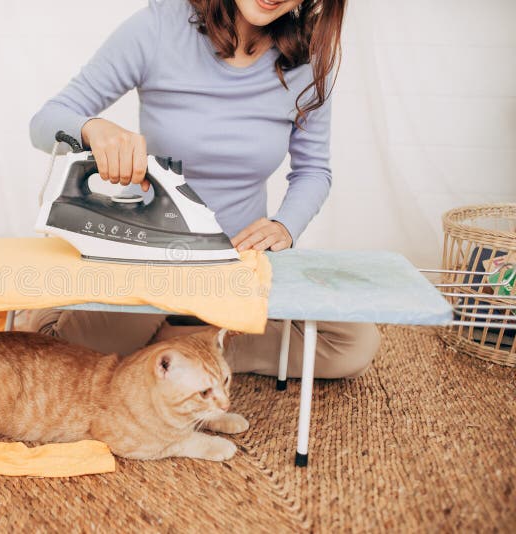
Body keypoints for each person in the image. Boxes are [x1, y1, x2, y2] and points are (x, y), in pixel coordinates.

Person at [27, 0, 380, 378]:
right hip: (153, 265)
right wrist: (93, 129)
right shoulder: (158, 27)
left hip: (237, 268)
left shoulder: (306, 60)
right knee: (59, 353)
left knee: (353, 343)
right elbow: (46, 121)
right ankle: (191, 343)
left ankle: (186, 347)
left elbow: (313, 170)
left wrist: (284, 226)